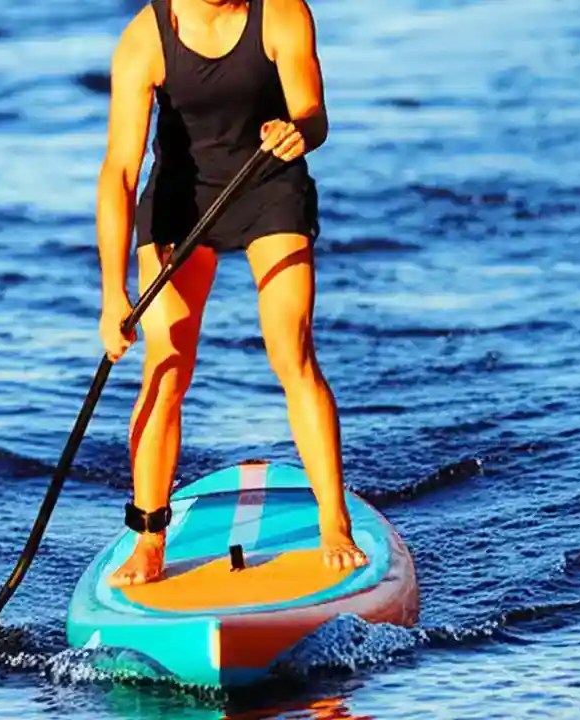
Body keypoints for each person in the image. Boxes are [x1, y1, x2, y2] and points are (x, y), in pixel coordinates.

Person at [95, 0, 368, 587]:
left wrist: (300, 131)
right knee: (165, 367)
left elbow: (314, 113)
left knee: (291, 352)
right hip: (180, 201)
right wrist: (112, 294)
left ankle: (334, 522)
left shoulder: (282, 13)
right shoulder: (145, 39)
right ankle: (149, 539)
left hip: (267, 186)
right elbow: (120, 171)